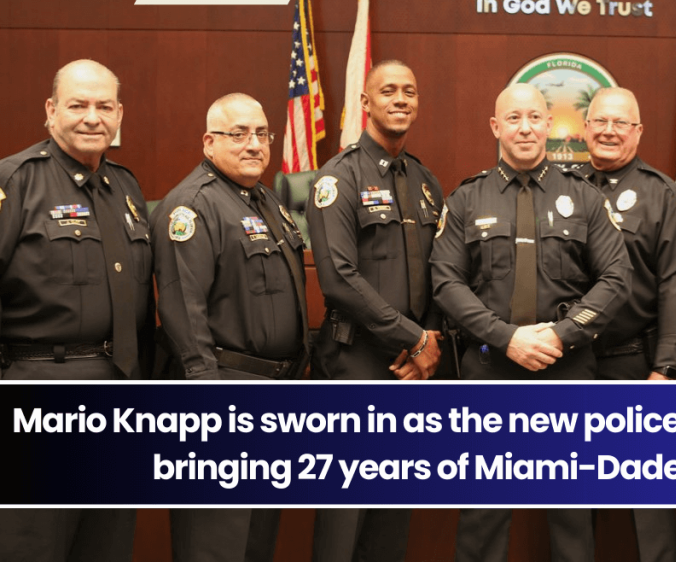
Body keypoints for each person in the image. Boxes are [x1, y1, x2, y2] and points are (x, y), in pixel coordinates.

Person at [431, 82, 631, 562]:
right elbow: (445, 283)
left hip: (567, 370)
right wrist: (508, 338)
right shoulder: (466, 198)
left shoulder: (582, 197)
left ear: (550, 125)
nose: (525, 128)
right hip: (489, 372)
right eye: (513, 118)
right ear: (496, 127)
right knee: (483, 515)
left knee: (571, 517)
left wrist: (561, 335)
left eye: (534, 117)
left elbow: (617, 278)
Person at [0, 59, 152, 560]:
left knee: (106, 542)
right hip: (40, 390)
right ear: (50, 111)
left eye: (104, 106)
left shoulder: (125, 189)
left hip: (119, 390)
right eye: (78, 105)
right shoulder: (16, 182)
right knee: (34, 544)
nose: (92, 117)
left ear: (119, 114)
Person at [152, 93, 306, 561]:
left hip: (274, 392)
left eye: (262, 133)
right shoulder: (192, 207)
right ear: (209, 141)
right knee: (215, 542)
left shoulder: (266, 201)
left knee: (257, 538)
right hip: (224, 392)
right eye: (238, 134)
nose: (254, 144)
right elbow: (183, 309)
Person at [305, 60, 443, 562]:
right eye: (388, 91)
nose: (400, 99)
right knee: (346, 515)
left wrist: (429, 339)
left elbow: (440, 273)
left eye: (410, 91)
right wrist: (414, 337)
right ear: (365, 102)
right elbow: (340, 280)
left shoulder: (425, 180)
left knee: (391, 514)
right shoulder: (337, 178)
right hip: (355, 364)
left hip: (412, 370)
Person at [578, 87, 676, 562]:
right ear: (585, 129)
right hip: (573, 365)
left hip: (636, 366)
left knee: (648, 505)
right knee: (573, 501)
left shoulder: (664, 193)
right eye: (600, 122)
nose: (609, 131)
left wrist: (665, 368)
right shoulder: (563, 185)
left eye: (621, 124)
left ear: (638, 131)